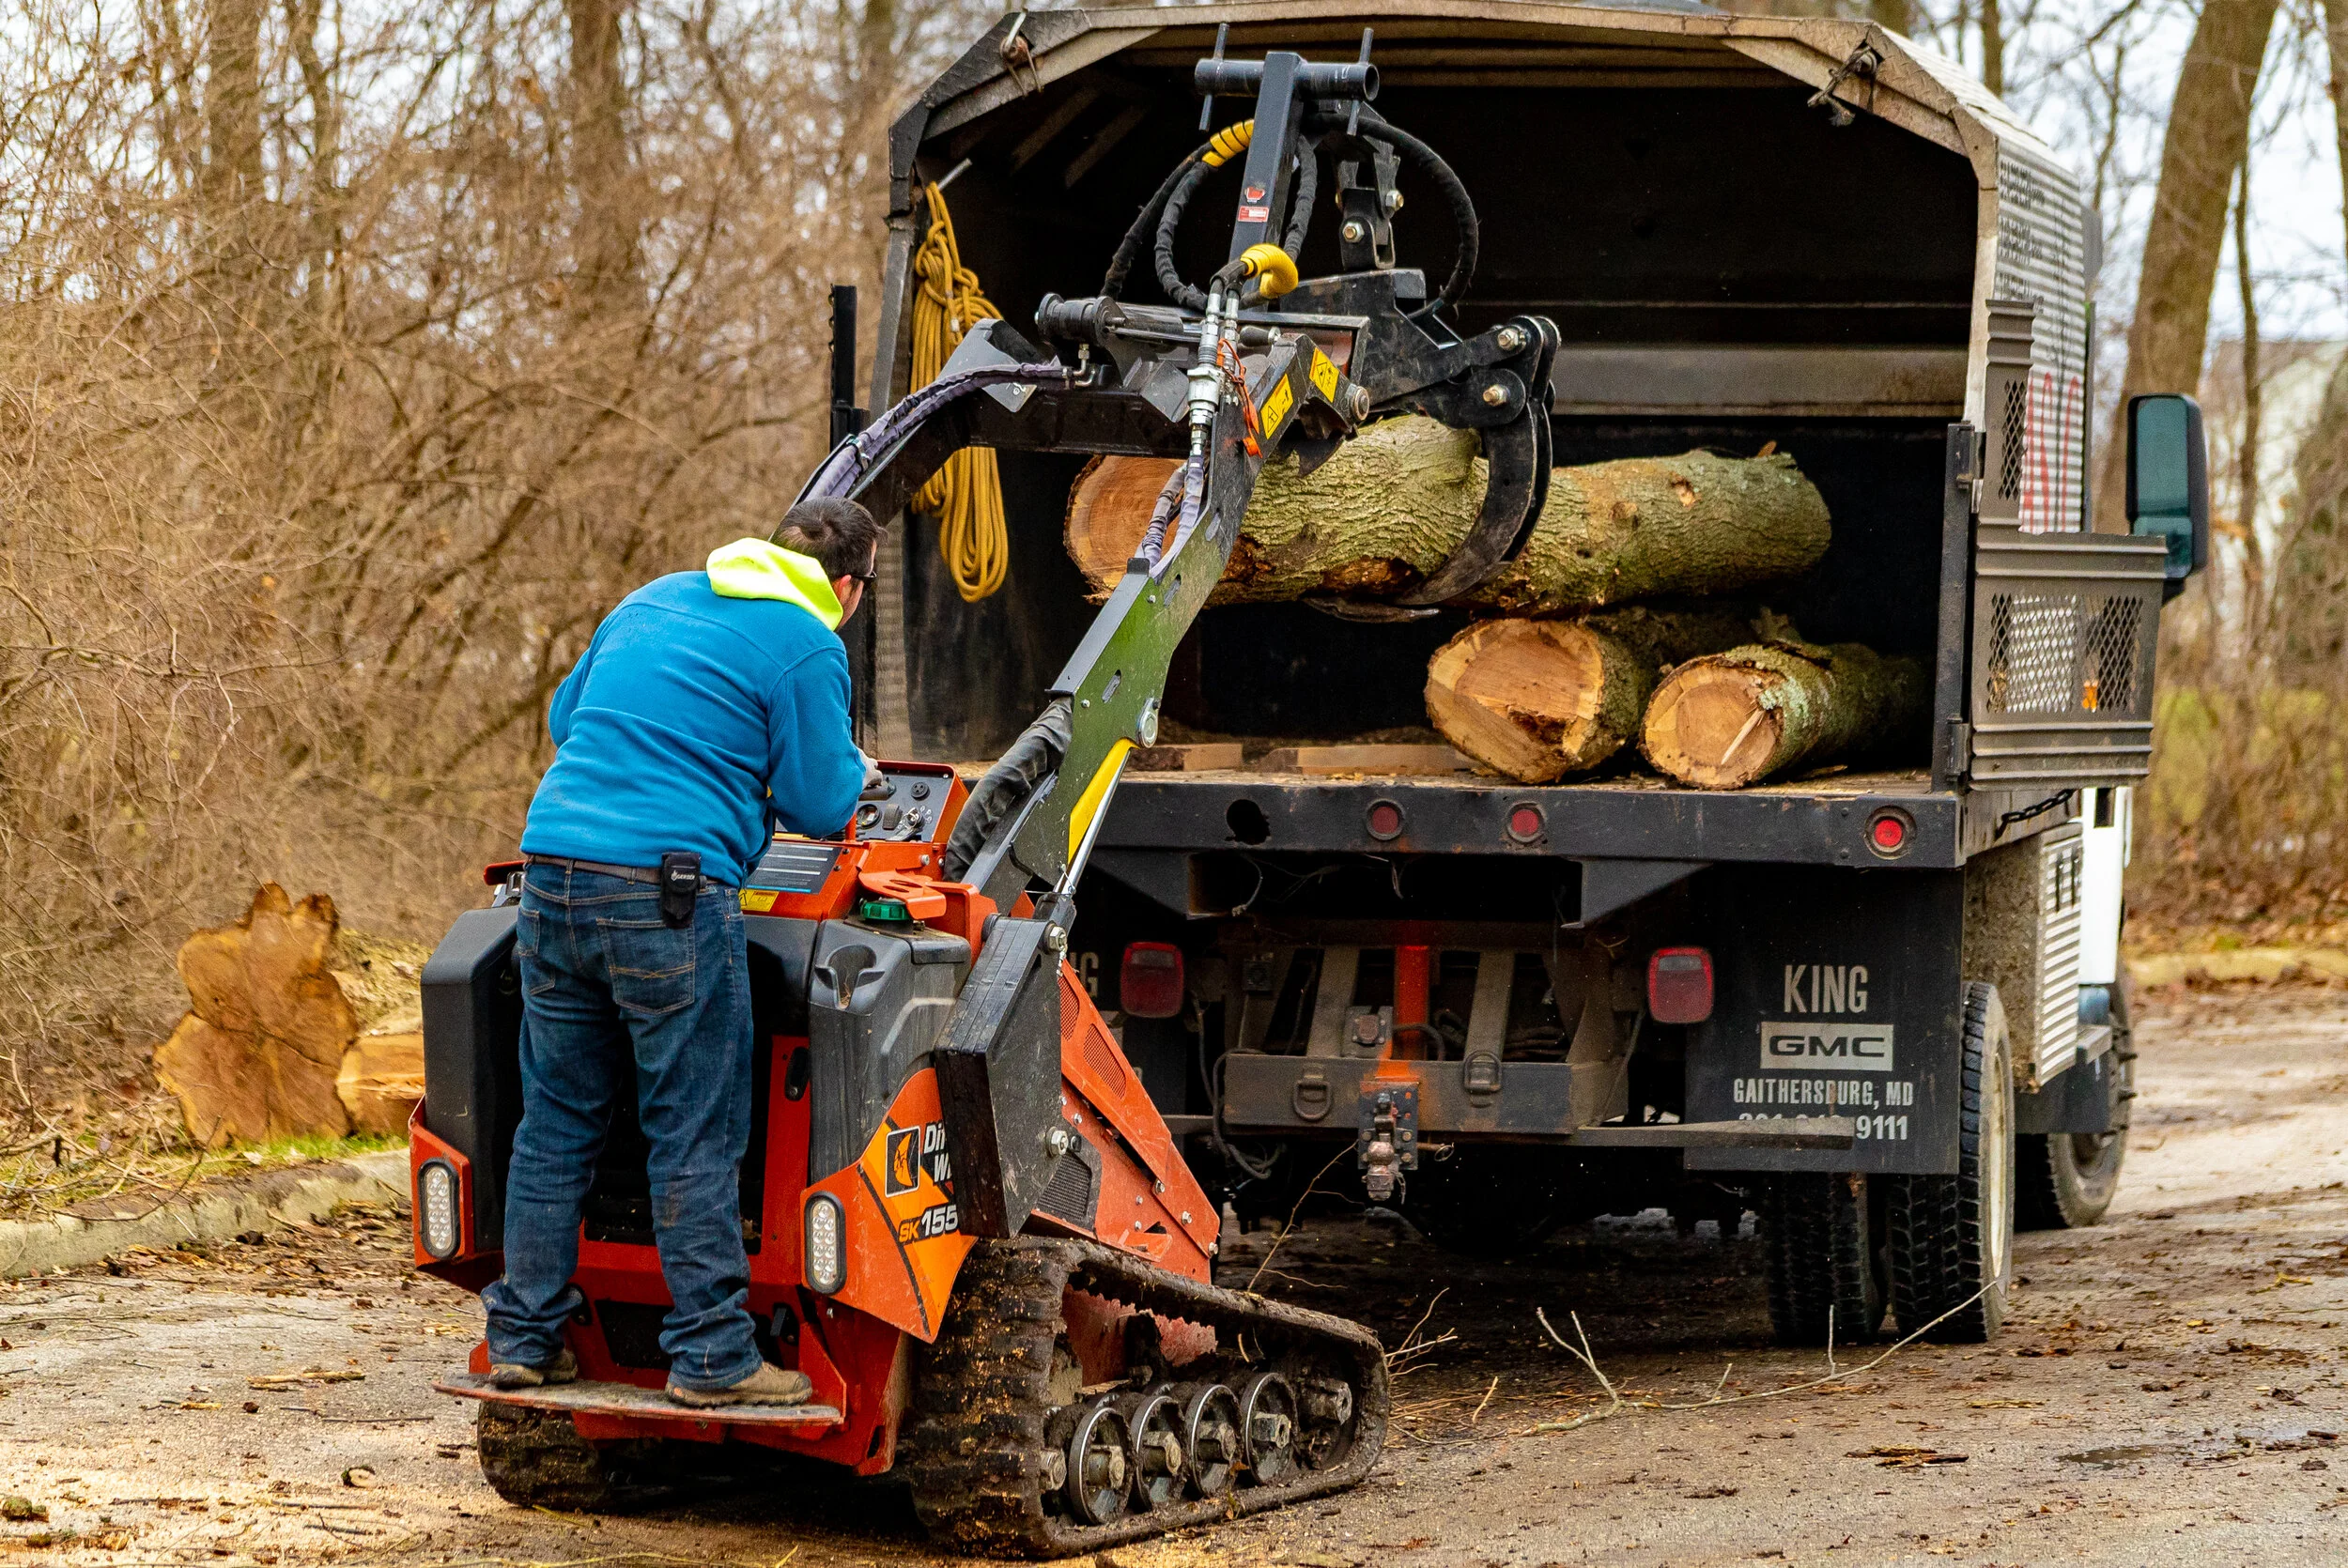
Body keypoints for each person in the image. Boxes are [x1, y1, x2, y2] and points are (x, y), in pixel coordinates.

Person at [482, 498, 881, 1407]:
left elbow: (564, 720)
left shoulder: (653, 597)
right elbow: (822, 806)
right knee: (693, 1127)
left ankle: (522, 1338)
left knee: (554, 1120)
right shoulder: (809, 642)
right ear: (849, 588)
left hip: (552, 871)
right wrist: (848, 773)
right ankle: (710, 1356)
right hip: (665, 893)